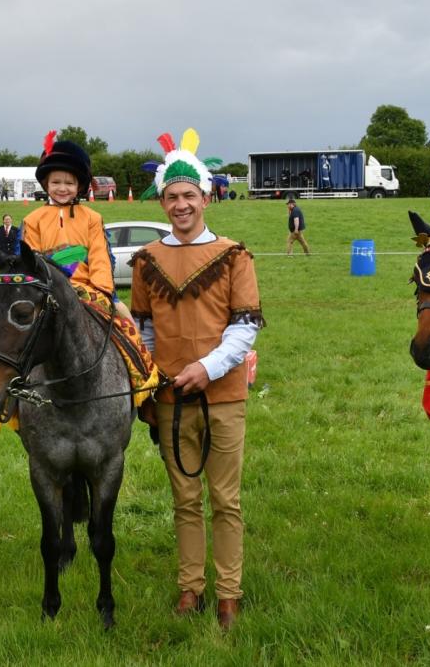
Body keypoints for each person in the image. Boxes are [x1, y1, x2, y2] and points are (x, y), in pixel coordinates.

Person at [130, 128, 263, 632]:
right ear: (162, 201)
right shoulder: (146, 259)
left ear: (205, 197)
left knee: (225, 500)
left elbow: (244, 326)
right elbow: (142, 329)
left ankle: (229, 592)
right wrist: (146, 378)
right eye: (172, 196)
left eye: (189, 195)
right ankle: (192, 588)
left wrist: (206, 368)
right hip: (169, 399)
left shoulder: (234, 256)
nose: (180, 204)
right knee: (184, 499)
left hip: (223, 396)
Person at [21, 130, 132, 321]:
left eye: (69, 183)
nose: (62, 188)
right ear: (46, 184)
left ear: (79, 186)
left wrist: (102, 291)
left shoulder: (92, 218)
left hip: (90, 288)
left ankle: (139, 349)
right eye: (56, 182)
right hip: (47, 289)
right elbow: (30, 260)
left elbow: (100, 258)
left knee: (127, 322)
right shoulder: (32, 220)